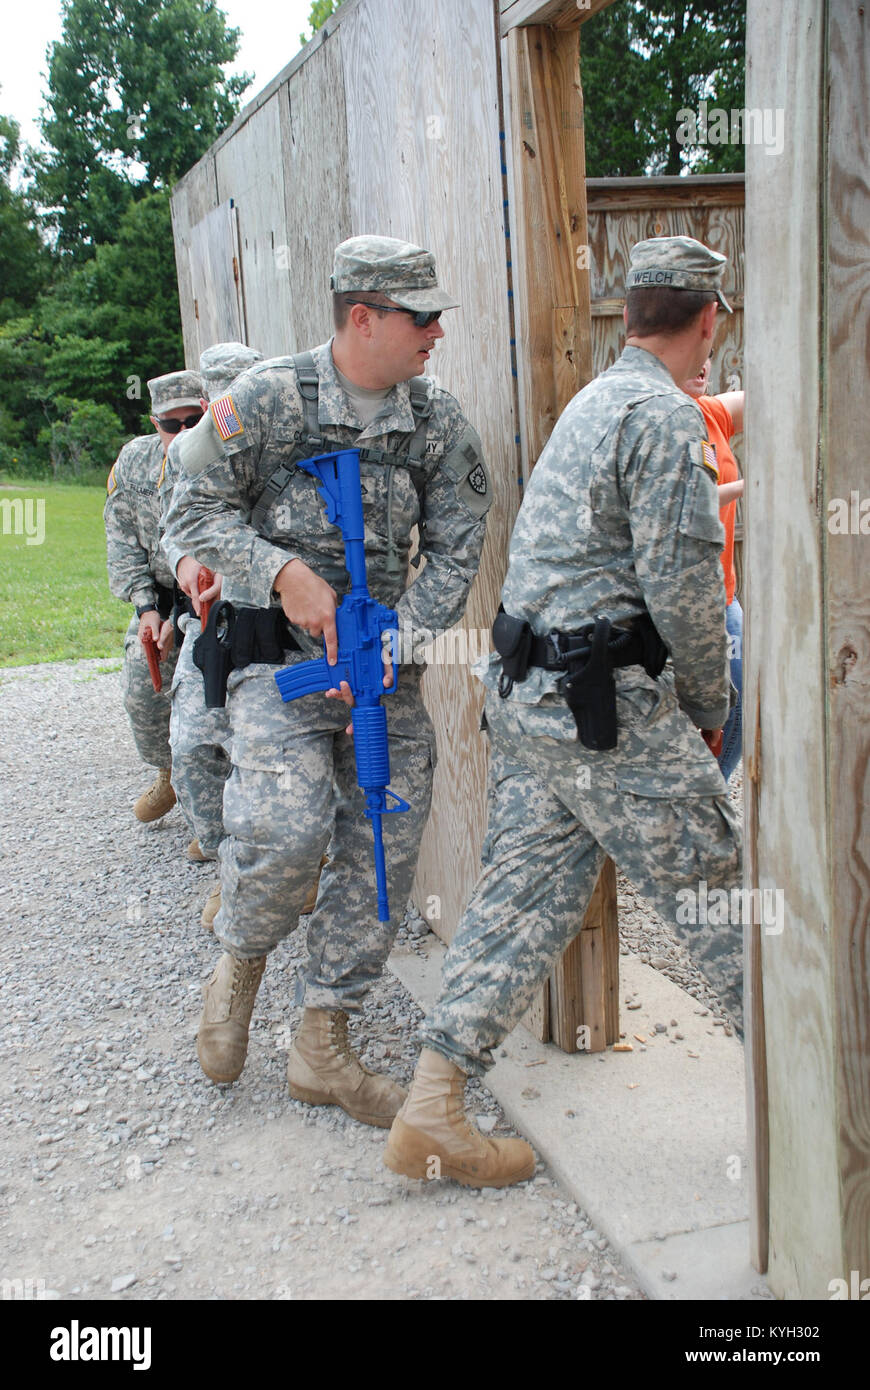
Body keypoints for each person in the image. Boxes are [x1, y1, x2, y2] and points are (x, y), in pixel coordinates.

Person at [383, 236, 743, 1189]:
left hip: (530, 697)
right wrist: (711, 706)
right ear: (709, 320)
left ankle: (431, 1110)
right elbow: (687, 591)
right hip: (600, 712)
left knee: (521, 900)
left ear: (630, 318)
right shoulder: (663, 419)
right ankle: (830, 1116)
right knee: (724, 891)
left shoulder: (596, 400)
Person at [163, 236, 491, 1127]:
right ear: (363, 318)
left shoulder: (432, 419)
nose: (434, 333)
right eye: (419, 317)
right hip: (279, 665)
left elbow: (463, 532)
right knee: (284, 827)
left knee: (381, 844)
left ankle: (324, 1041)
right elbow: (185, 503)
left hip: (380, 673)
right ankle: (238, 964)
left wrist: (405, 630)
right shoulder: (267, 398)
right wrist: (277, 571)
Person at [159, 343, 262, 918]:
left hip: (276, 626)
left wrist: (238, 568)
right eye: (223, 399)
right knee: (194, 747)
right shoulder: (192, 452)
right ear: (208, 401)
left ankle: (295, 868)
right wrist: (185, 566)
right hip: (213, 629)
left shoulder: (286, 440)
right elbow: (174, 528)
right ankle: (231, 867)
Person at [104, 371, 204, 823]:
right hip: (159, 596)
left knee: (208, 706)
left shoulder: (219, 455)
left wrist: (185, 613)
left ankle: (208, 808)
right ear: (153, 421)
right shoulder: (134, 461)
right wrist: (147, 609)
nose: (183, 432)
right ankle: (169, 777)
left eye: (193, 420)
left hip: (209, 599)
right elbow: (122, 538)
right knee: (143, 693)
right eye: (171, 424)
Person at [682, 356, 745, 782]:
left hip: (725, 599)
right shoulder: (658, 426)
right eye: (692, 353)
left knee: (738, 719)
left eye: (707, 351)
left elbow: (774, 397)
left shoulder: (710, 411)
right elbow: (691, 503)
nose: (703, 363)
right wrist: (754, 485)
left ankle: (710, 804)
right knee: (709, 721)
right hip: (688, 607)